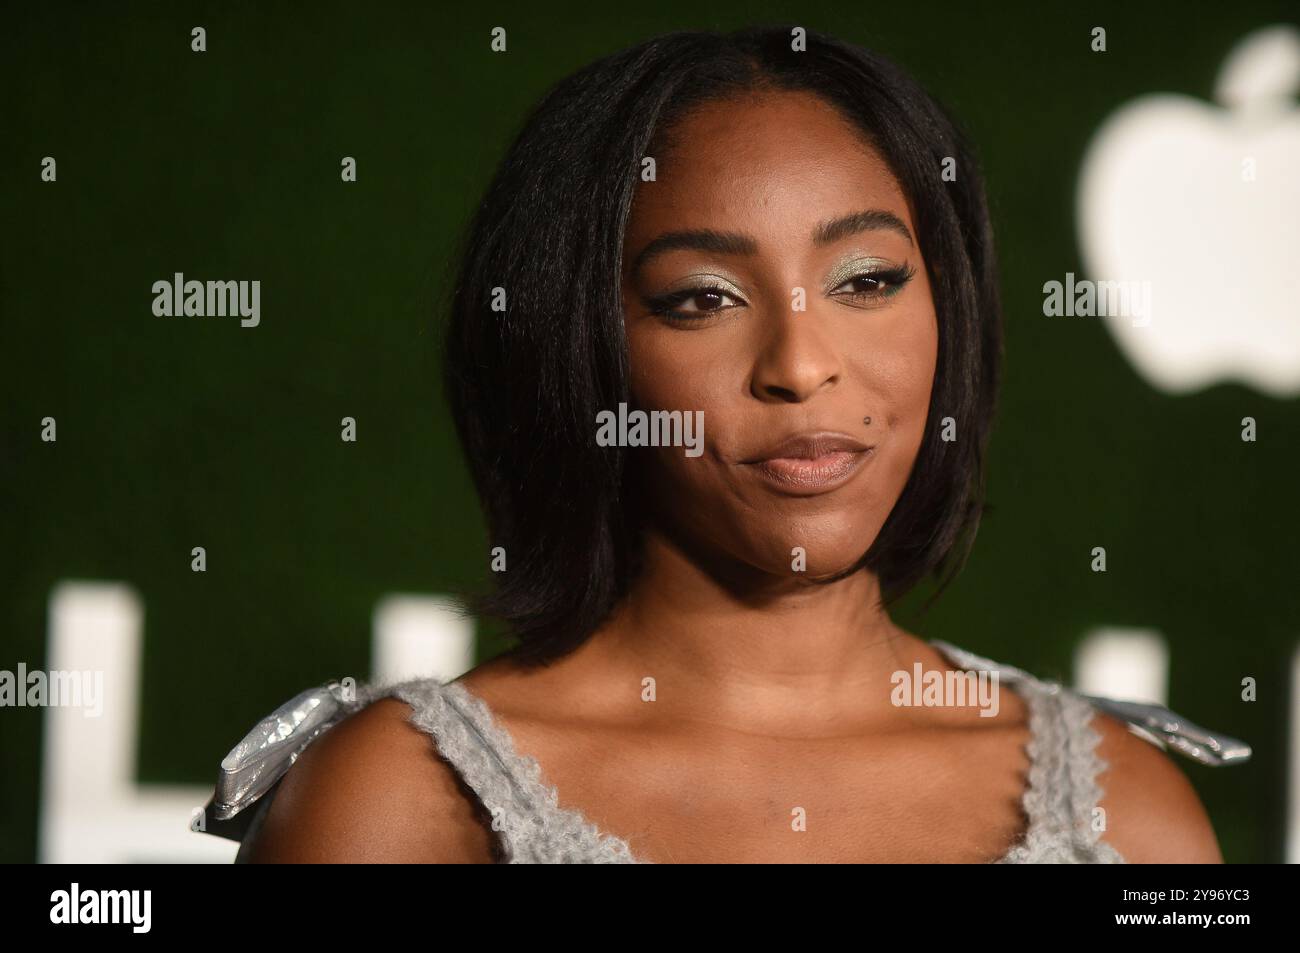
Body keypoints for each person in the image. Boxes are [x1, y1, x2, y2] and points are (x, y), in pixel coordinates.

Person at [199, 24, 1249, 863]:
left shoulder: (1130, 810)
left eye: (868, 280)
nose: (800, 363)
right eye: (701, 297)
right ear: (579, 343)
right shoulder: (400, 798)